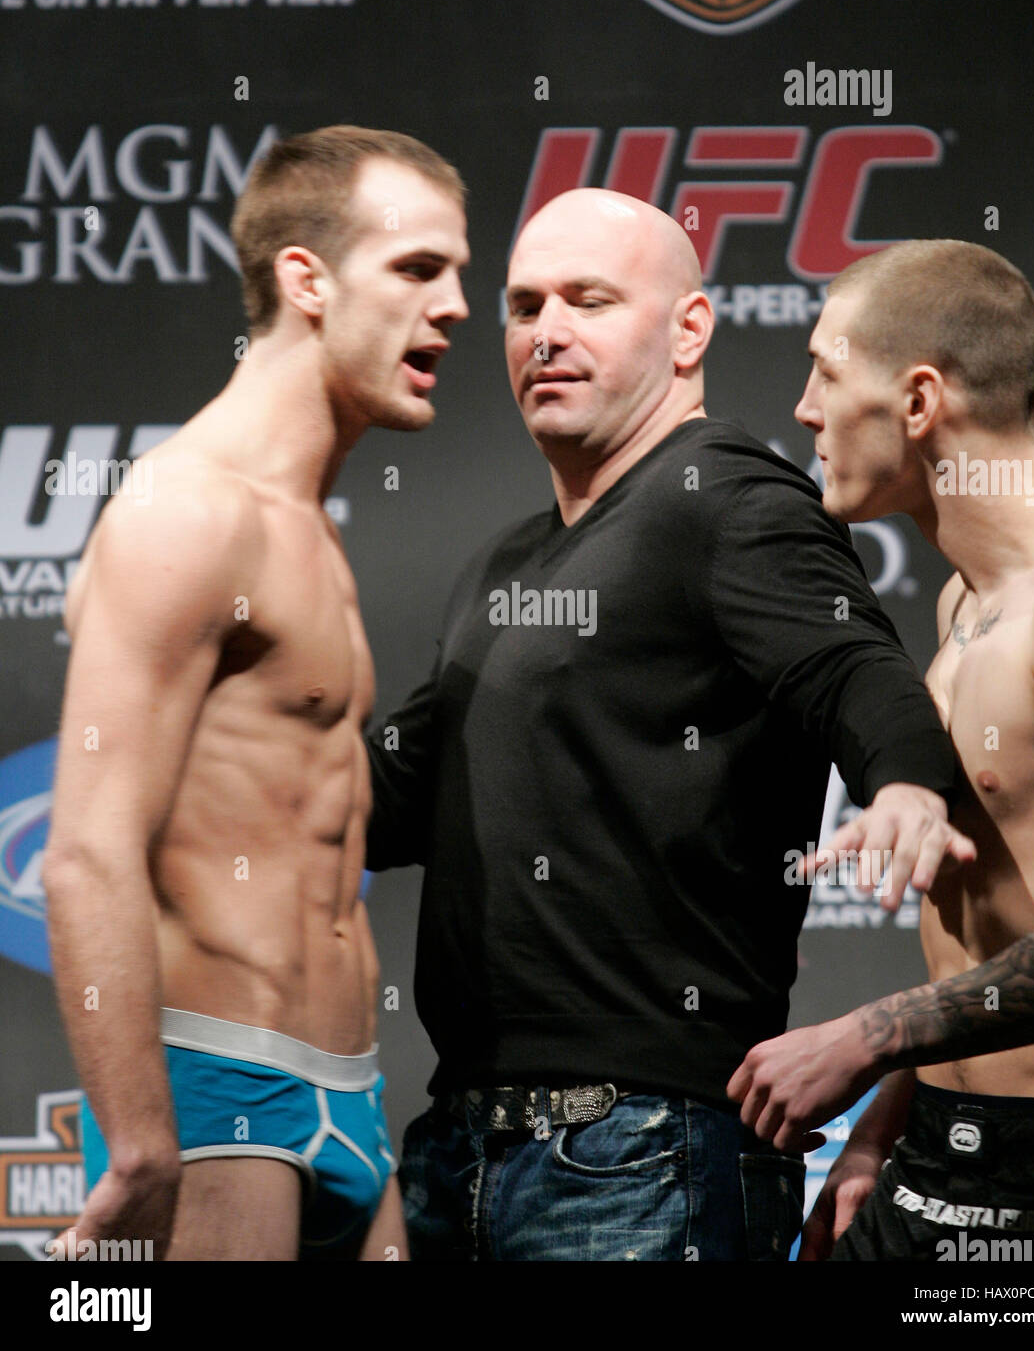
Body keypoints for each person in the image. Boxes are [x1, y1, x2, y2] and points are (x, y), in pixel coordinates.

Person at [364, 189, 976, 1262]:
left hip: (646, 1151)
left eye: (589, 300)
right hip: (461, 1147)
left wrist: (909, 785)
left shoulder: (727, 498)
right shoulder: (504, 563)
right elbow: (395, 797)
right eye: (523, 306)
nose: (545, 331)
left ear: (690, 329)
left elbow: (858, 672)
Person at [41, 126, 470, 1260]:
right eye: (420, 269)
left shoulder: (305, 530)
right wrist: (139, 1144)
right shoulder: (192, 513)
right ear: (306, 280)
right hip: (217, 1093)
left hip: (349, 1095)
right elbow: (84, 850)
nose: (460, 305)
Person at [729, 239, 1034, 1261]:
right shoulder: (963, 602)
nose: (804, 408)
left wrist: (866, 1035)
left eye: (827, 373)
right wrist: (890, 1111)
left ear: (920, 400)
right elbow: (1000, 926)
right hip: (936, 1146)